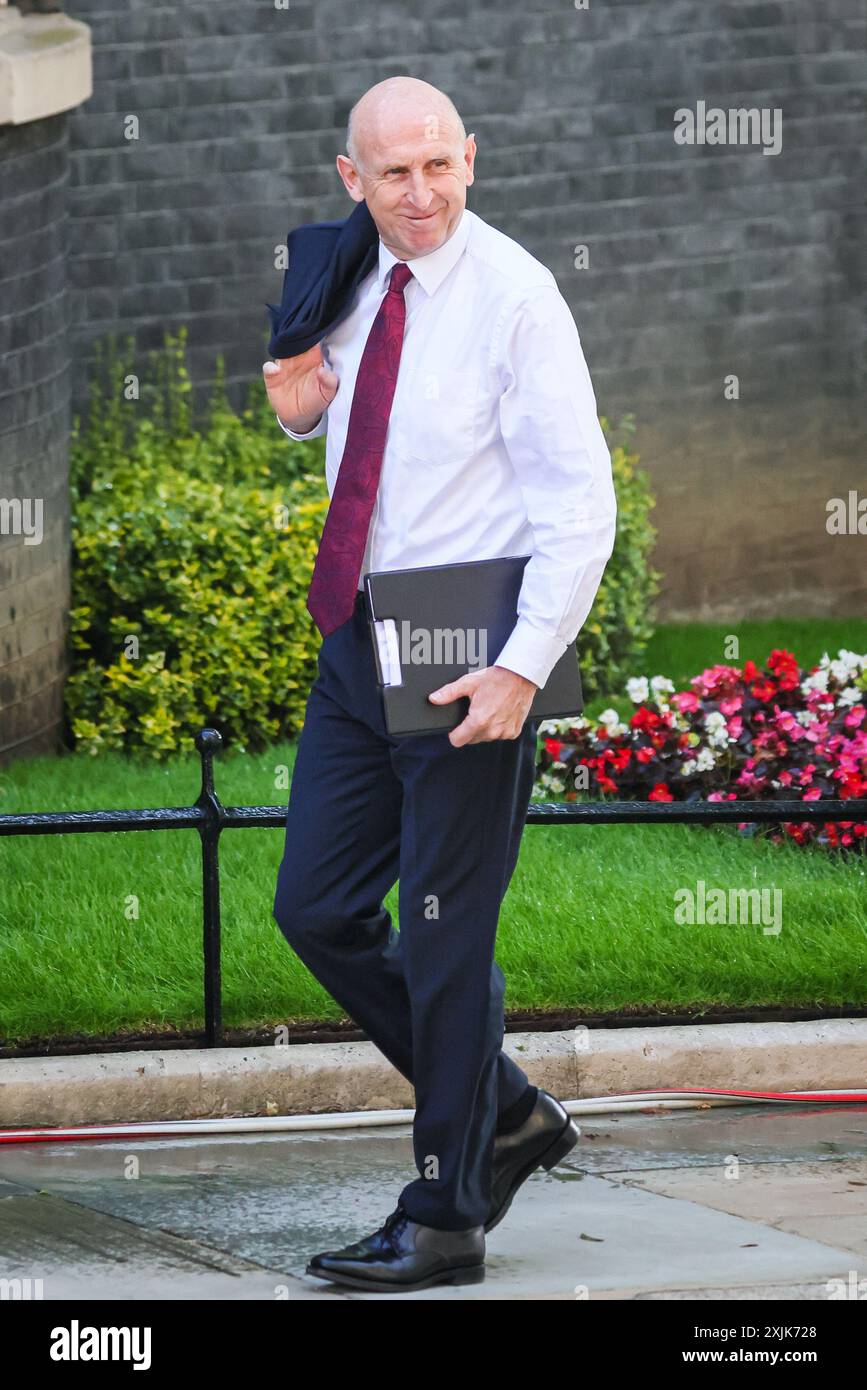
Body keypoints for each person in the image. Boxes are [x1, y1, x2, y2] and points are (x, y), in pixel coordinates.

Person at [263, 75, 617, 1294]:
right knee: (314, 906)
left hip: (467, 653)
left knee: (444, 929)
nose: (422, 195)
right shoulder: (348, 266)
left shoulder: (518, 297)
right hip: (358, 642)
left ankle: (447, 1211)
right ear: (352, 177)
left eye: (439, 166)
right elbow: (344, 418)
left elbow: (581, 504)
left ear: (471, 155)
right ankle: (508, 1111)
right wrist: (300, 409)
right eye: (393, 174)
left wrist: (523, 667)